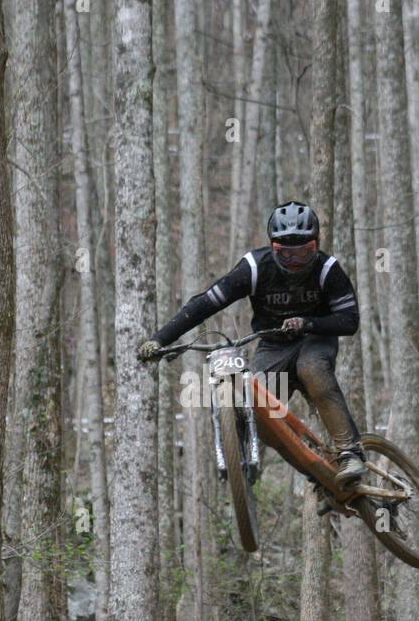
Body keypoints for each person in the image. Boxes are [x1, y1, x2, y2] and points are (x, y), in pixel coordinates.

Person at [137, 200, 366, 489]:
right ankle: (318, 476)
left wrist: (308, 322)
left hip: (315, 340)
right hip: (273, 347)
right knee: (255, 411)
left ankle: (350, 452)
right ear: (272, 247)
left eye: (304, 252)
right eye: (286, 253)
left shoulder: (327, 269)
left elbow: (349, 321)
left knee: (312, 369)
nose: (295, 262)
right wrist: (159, 339)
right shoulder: (255, 268)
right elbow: (205, 303)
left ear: (316, 245)